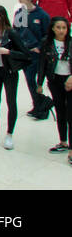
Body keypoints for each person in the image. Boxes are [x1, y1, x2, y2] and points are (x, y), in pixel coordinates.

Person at [0, 4, 29, 150]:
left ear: (0, 16)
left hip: (9, 73)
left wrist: (9, 53)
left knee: (10, 102)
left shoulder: (11, 33)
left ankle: (9, 134)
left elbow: (26, 54)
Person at [36, 16, 72, 155]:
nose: (61, 30)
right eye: (58, 27)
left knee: (70, 115)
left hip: (70, 81)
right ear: (53, 28)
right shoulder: (47, 42)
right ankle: (63, 141)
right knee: (60, 112)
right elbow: (42, 64)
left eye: (64, 27)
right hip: (55, 81)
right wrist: (39, 83)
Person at [12, 0, 50, 114]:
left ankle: (41, 104)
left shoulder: (42, 15)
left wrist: (39, 48)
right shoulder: (19, 13)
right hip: (24, 53)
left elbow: (48, 35)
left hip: (36, 55)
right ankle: (40, 104)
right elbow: (15, 31)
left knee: (31, 79)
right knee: (29, 81)